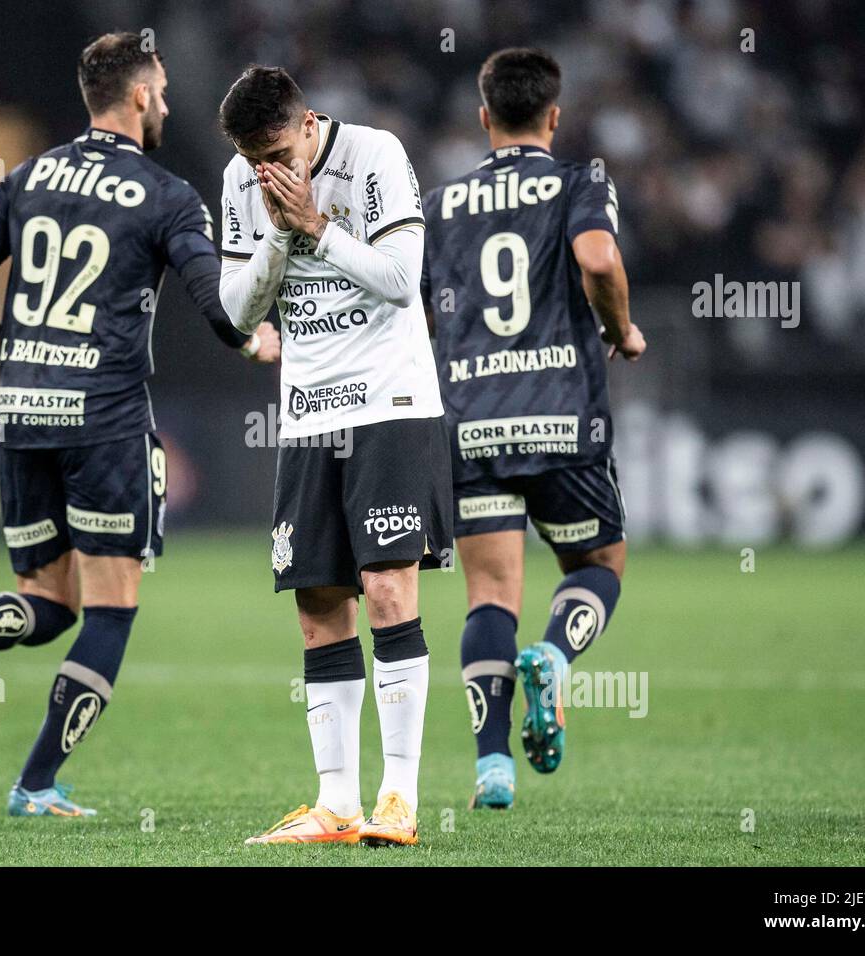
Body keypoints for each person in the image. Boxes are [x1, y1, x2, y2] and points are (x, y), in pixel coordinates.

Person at [0, 32, 279, 818]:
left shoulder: (30, 176)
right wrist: (253, 336)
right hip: (104, 420)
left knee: (47, 603)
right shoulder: (166, 192)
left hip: (23, 413)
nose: (169, 103)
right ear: (139, 95)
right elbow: (214, 303)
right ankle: (35, 784)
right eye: (164, 90)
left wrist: (10, 348)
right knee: (109, 610)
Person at [218, 66, 451, 846]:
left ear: (309, 124)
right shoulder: (240, 180)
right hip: (308, 412)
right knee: (319, 607)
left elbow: (401, 281)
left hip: (389, 399)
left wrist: (316, 225)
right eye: (255, 159)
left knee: (388, 588)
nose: (268, 172)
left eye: (279, 151)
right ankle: (335, 803)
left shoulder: (376, 155)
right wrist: (280, 236)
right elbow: (237, 308)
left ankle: (399, 797)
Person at [421, 48, 645, 809]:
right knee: (598, 566)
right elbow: (598, 258)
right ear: (556, 115)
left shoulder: (442, 202)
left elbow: (417, 310)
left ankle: (492, 766)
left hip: (471, 423)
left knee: (489, 596)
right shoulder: (580, 179)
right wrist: (623, 327)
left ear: (484, 118)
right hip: (559, 417)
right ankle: (552, 653)